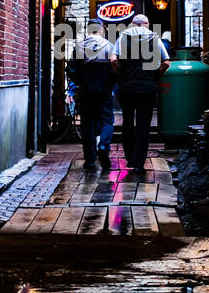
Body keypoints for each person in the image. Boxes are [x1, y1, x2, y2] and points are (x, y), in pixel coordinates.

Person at [110, 14, 170, 175]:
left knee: (128, 123)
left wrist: (121, 75)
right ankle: (139, 163)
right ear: (145, 24)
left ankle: (130, 157)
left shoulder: (123, 38)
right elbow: (166, 62)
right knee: (143, 126)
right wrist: (155, 76)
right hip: (147, 88)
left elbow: (113, 60)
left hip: (127, 87)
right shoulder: (154, 38)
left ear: (132, 24)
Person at [68, 20, 116, 171]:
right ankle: (103, 144)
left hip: (86, 90)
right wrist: (110, 83)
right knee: (107, 120)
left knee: (87, 124)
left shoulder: (80, 46)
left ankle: (90, 160)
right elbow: (115, 69)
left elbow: (71, 70)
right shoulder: (109, 46)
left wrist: (80, 81)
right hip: (104, 90)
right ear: (101, 30)